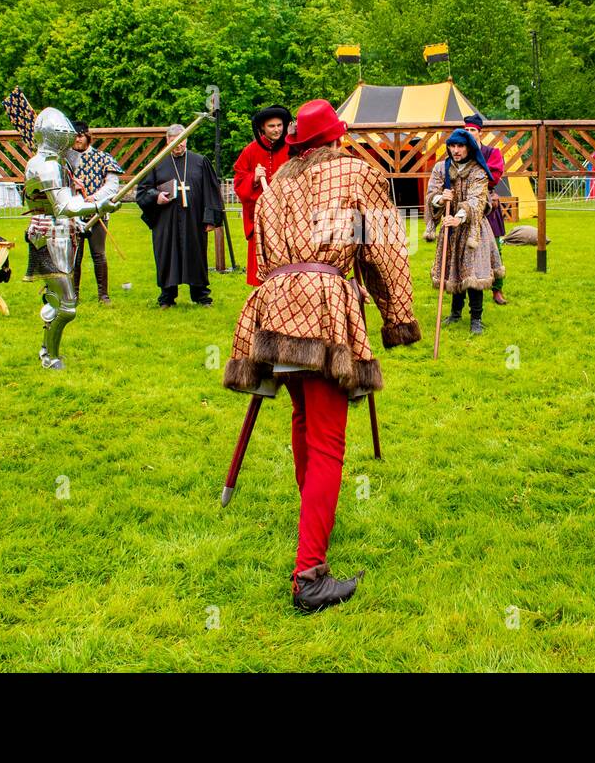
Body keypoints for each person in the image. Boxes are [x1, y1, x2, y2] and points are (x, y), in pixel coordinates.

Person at [223, 99, 420, 612]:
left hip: (274, 302)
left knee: (303, 416)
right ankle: (309, 576)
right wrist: (396, 317)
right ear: (336, 137)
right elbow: (385, 251)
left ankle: (314, 516)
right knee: (329, 439)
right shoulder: (360, 173)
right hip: (324, 301)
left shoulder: (278, 180)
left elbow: (262, 255)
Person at [23, 107, 120, 370]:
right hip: (49, 235)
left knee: (57, 302)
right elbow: (64, 207)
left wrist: (80, 219)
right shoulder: (47, 166)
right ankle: (49, 356)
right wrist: (101, 207)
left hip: (60, 232)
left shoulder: (54, 162)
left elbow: (64, 206)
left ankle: (48, 351)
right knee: (66, 307)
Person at [134, 124, 225, 307]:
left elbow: (211, 191)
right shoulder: (157, 163)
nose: (179, 145)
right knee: (167, 255)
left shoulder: (200, 161)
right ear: (167, 141)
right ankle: (167, 297)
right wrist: (156, 197)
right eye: (175, 141)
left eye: (182, 141)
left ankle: (201, 296)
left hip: (194, 219)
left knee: (196, 255)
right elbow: (143, 191)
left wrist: (210, 219)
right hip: (166, 220)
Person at [425, 127, 505, 335]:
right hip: (450, 227)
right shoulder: (441, 169)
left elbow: (476, 200)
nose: (456, 150)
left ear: (468, 147)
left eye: (460, 146)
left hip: (473, 228)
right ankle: (455, 313)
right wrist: (441, 199)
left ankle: (476, 319)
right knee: (454, 269)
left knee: (474, 273)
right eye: (452, 146)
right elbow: (431, 193)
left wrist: (458, 217)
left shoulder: (478, 170)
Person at [232, 105, 292, 286]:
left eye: (279, 125)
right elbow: (239, 181)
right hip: (261, 219)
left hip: (287, 215)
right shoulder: (250, 151)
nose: (277, 130)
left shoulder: (292, 149)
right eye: (272, 126)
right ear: (262, 129)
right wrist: (254, 179)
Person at [71, 121, 123, 306]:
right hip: (73, 214)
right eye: (74, 136)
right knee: (74, 257)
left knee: (98, 254)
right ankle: (73, 296)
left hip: (96, 213)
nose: (77, 139)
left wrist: (94, 197)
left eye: (80, 136)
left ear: (87, 137)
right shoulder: (64, 160)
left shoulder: (103, 158)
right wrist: (72, 188)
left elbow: (112, 185)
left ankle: (103, 296)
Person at [462, 113, 508, 305]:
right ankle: (462, 292)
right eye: (466, 130)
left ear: (480, 132)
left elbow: (493, 177)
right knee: (464, 250)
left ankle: (497, 290)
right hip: (465, 206)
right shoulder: (460, 152)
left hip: (488, 205)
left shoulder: (492, 153)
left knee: (495, 248)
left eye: (473, 130)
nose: (470, 133)